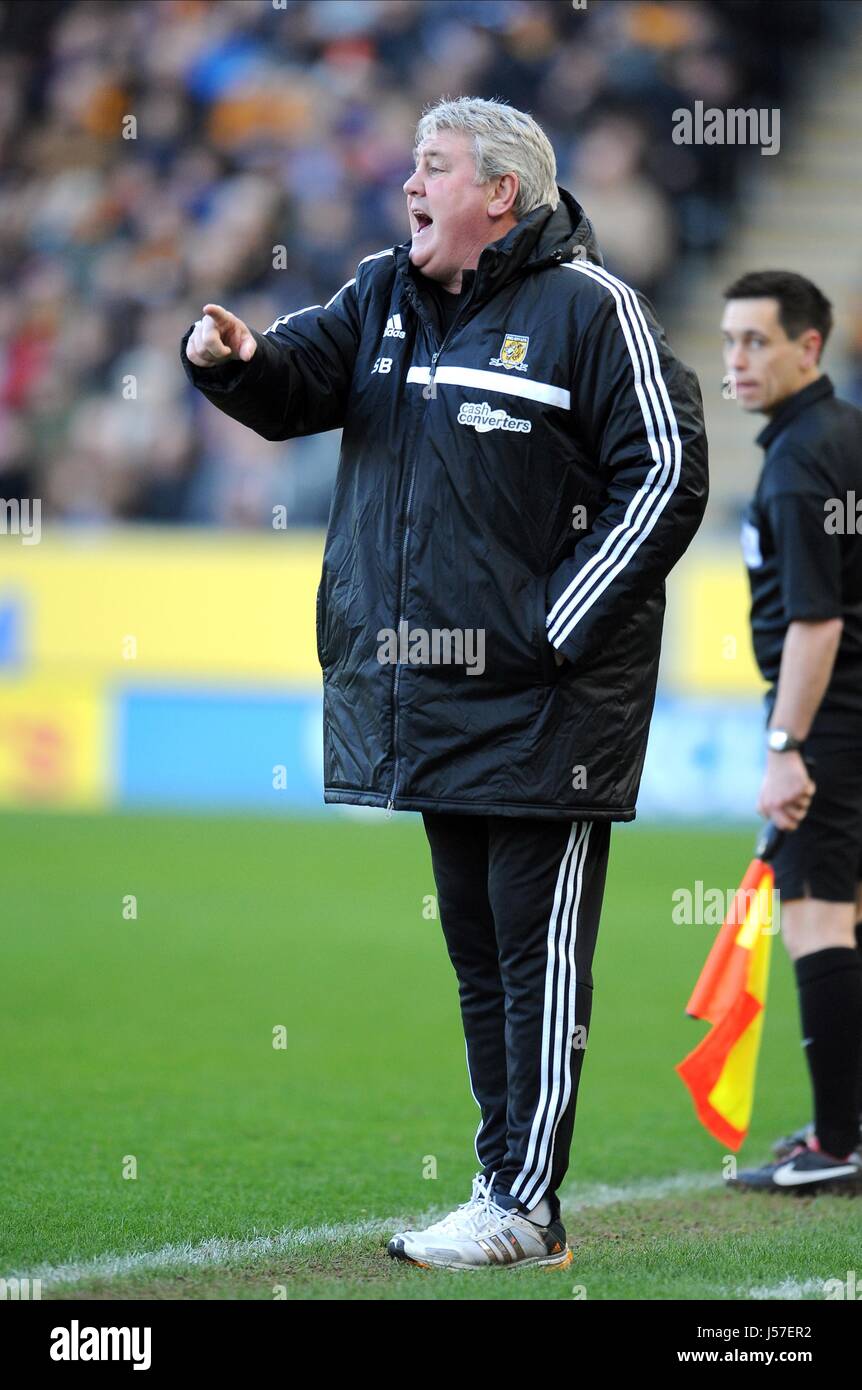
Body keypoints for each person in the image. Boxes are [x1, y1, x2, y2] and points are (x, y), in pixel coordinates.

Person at [180, 97, 708, 1268]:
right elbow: (298, 385)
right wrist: (234, 360)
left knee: (539, 953)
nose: (406, 183)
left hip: (548, 708)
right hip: (432, 694)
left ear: (499, 193)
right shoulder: (382, 291)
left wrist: (550, 623)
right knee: (478, 952)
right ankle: (499, 1187)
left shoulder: (590, 310)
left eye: (430, 167)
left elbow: (667, 472)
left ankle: (526, 1204)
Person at [721, 270, 862, 1193]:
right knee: (849, 914)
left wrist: (786, 750)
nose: (737, 359)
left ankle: (837, 1147)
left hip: (834, 722)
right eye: (729, 340)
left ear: (807, 347)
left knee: (816, 918)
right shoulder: (844, 432)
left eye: (757, 342)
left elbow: (816, 621)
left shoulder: (802, 457)